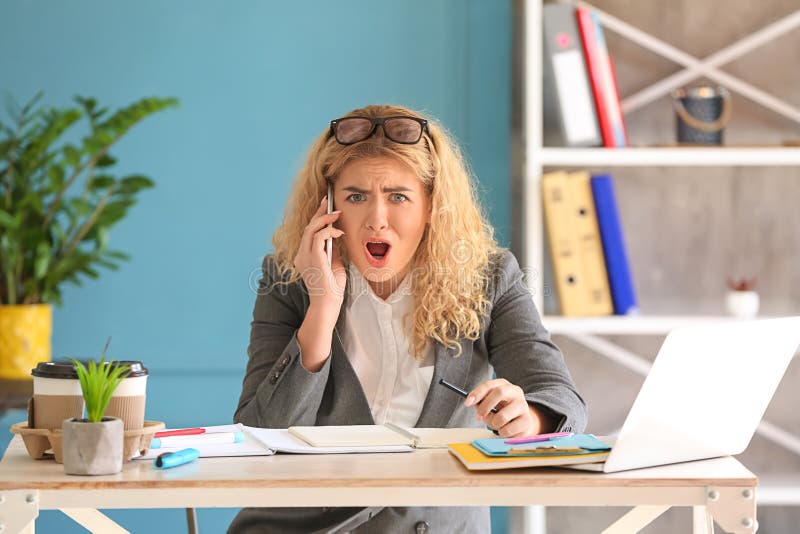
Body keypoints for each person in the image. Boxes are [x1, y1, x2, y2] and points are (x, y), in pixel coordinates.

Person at [229, 104, 587, 533]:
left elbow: (561, 399)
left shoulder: (490, 279)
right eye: (355, 197)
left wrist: (529, 419)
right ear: (326, 205)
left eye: (398, 197)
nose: (376, 220)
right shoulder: (287, 279)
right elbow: (258, 434)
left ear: (434, 205)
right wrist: (322, 307)